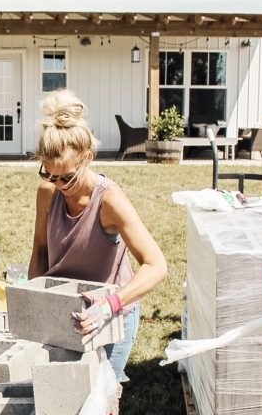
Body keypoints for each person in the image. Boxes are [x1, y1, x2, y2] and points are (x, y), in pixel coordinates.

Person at [28, 90, 167, 382]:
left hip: (110, 317)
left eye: (66, 176)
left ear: (87, 158)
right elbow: (40, 249)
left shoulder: (109, 200)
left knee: (100, 400)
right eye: (49, 174)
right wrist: (33, 304)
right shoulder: (48, 192)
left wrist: (111, 304)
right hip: (64, 310)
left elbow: (157, 265)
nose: (58, 184)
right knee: (61, 392)